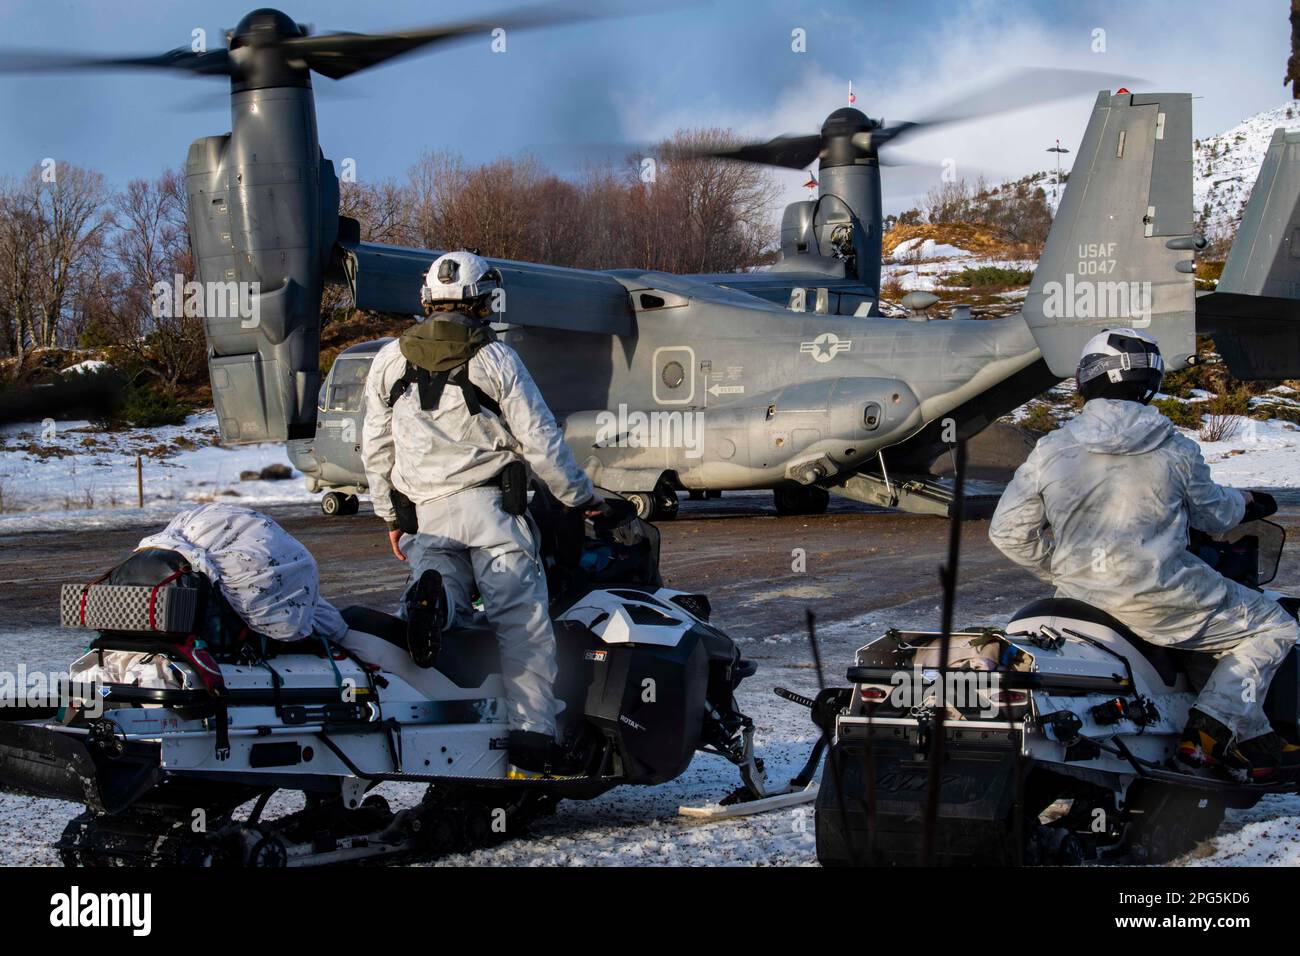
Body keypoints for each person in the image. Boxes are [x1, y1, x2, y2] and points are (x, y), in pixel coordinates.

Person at [989, 327, 1300, 780]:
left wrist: (1065, 566)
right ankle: (1208, 733)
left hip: (1081, 599)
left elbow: (1009, 532)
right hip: (1164, 600)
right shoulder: (1174, 448)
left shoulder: (1051, 449)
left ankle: (1253, 735)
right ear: (1150, 384)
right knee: (1275, 625)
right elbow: (1215, 516)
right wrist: (1246, 502)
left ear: (1085, 380)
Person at [361, 250, 601, 773]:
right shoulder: (496, 359)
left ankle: (439, 608)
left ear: (427, 300)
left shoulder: (387, 361)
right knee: (521, 624)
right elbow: (541, 440)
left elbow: (375, 449)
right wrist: (580, 498)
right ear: (481, 302)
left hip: (427, 514)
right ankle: (533, 735)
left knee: (445, 605)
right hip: (493, 511)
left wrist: (391, 517)